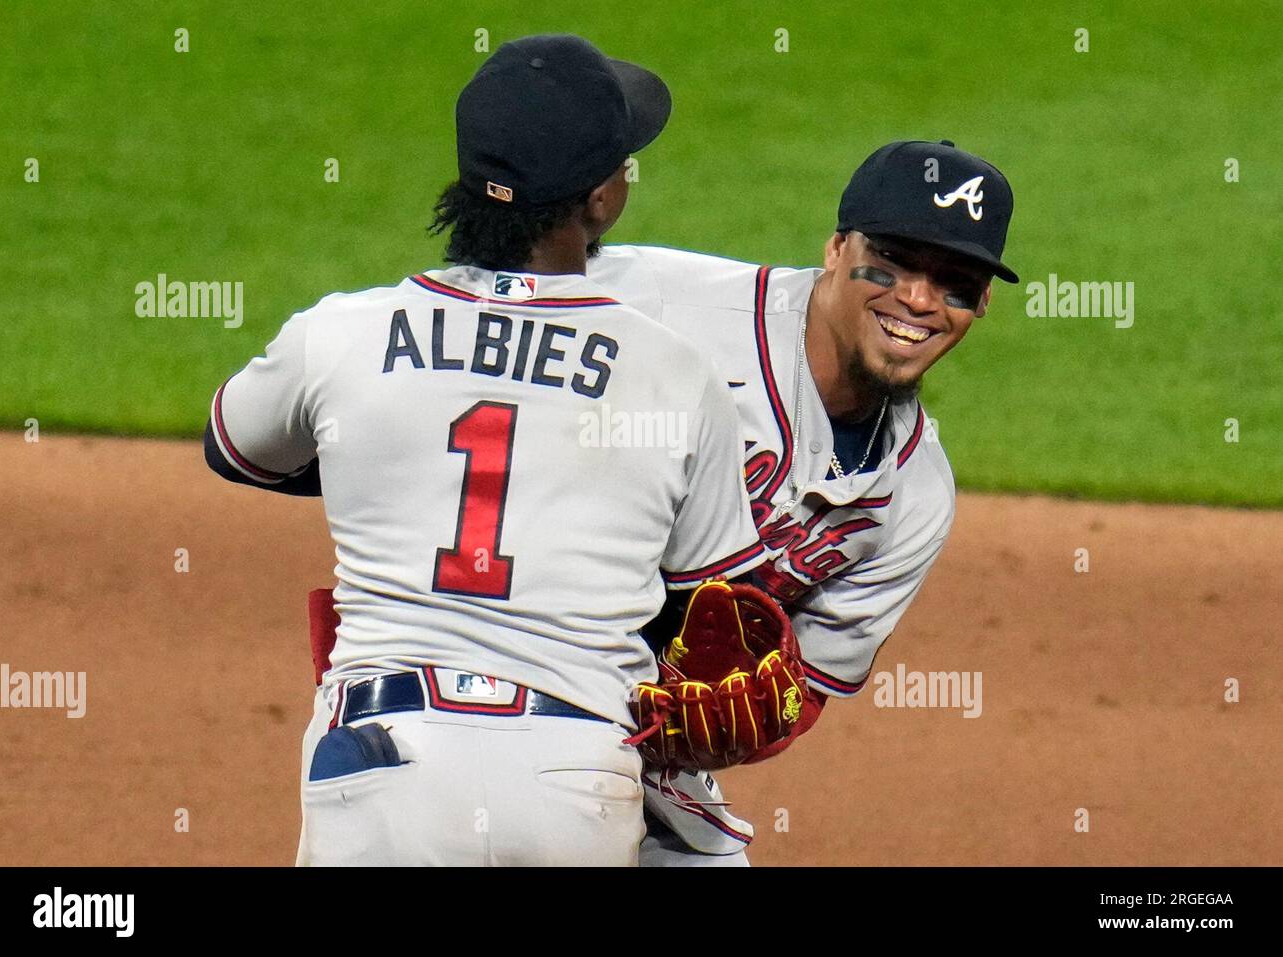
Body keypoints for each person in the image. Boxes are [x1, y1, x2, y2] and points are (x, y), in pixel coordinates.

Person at [204, 34, 766, 866]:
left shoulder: (339, 334)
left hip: (379, 759)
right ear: (604, 198)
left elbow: (236, 446)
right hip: (572, 775)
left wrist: (403, 464)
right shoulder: (677, 376)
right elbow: (709, 606)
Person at [587, 139, 1019, 865]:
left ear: (983, 302)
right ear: (835, 247)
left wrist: (726, 727)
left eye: (953, 282)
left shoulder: (914, 501)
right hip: (510, 672)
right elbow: (474, 323)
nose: (917, 298)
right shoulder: (658, 301)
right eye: (893, 261)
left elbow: (805, 692)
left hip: (642, 758)